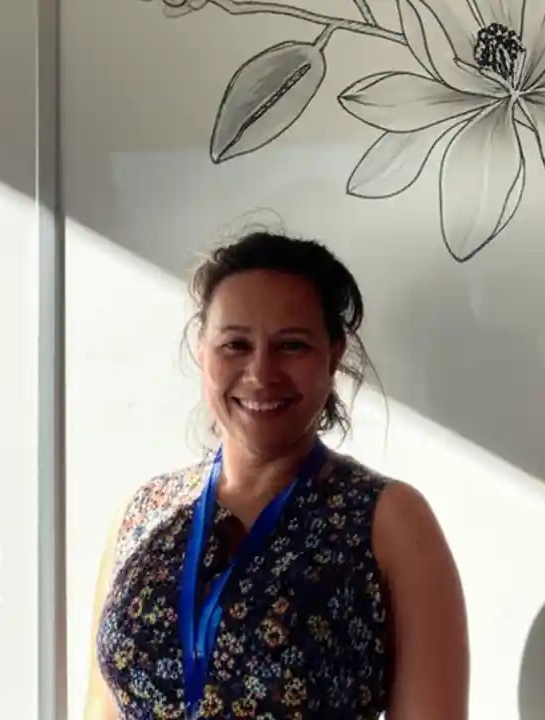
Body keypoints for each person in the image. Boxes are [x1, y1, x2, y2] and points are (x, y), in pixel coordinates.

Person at [82, 231, 469, 719]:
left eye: (291, 345)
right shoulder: (143, 513)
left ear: (333, 355)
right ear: (202, 351)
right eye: (235, 344)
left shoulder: (388, 522)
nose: (260, 373)